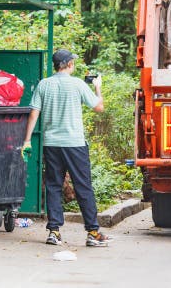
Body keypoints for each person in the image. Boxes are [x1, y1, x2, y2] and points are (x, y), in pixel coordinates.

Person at [22, 49, 112, 247]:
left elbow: (33, 113)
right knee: (83, 186)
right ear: (69, 64)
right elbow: (99, 107)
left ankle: (54, 232)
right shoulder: (78, 84)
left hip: (52, 144)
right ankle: (93, 233)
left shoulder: (44, 84)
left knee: (54, 186)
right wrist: (98, 88)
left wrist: (27, 140)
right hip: (74, 144)